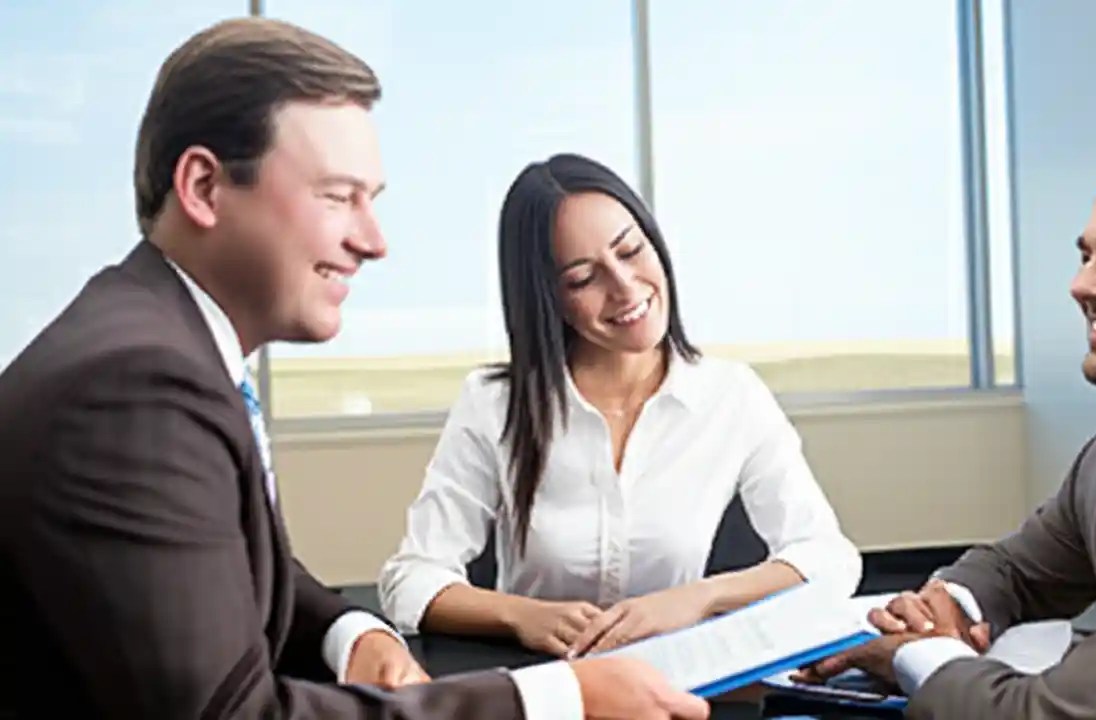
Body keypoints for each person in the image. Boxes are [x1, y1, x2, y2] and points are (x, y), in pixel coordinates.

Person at [0, 17, 708, 720]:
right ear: (204, 188)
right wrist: (557, 698)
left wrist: (349, 632)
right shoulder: (137, 388)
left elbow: (234, 572)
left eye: (373, 201)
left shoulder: (160, 343)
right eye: (339, 197)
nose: (373, 242)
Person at [796, 143, 1096, 719]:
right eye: (1086, 256)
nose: (1083, 285)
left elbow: (1058, 715)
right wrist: (946, 604)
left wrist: (914, 654)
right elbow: (1014, 571)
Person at [378, 153, 861, 659]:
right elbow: (412, 579)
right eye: (584, 278)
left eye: (630, 251)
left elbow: (829, 559)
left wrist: (699, 599)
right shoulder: (495, 403)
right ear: (548, 298)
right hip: (545, 692)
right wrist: (523, 616)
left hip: (673, 691)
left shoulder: (731, 395)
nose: (625, 288)